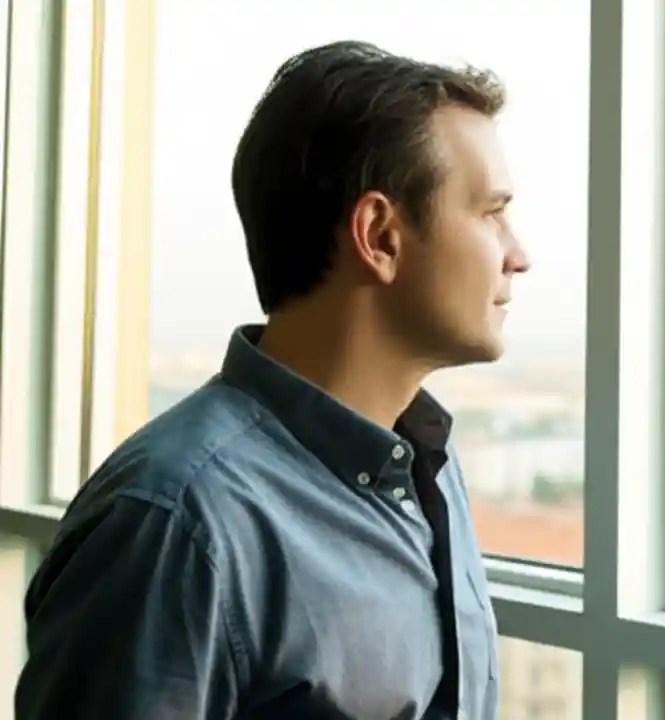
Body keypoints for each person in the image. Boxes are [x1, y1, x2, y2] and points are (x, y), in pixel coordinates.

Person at [15, 40, 528, 720]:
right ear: (379, 235)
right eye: (491, 211)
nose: (518, 255)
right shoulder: (176, 524)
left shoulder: (426, 466)